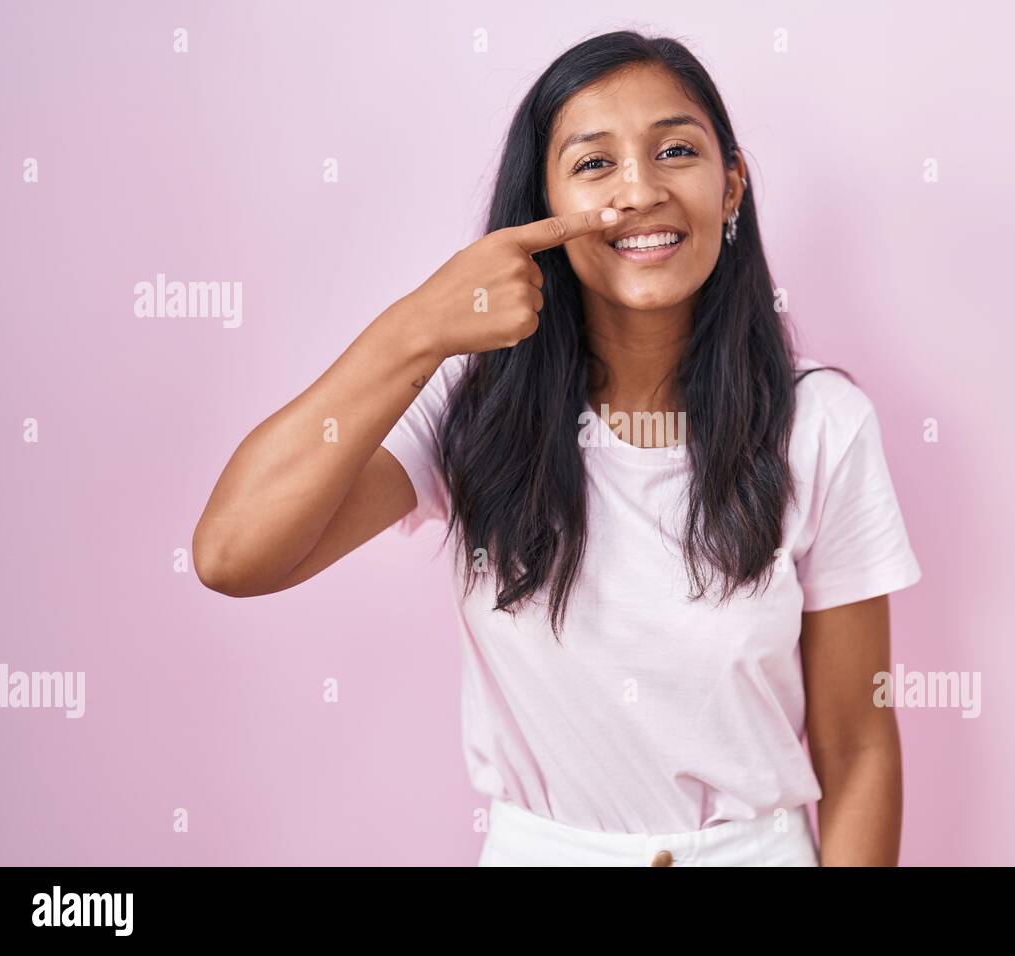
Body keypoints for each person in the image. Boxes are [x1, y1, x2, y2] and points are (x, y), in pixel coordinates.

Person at [192, 30, 922, 867]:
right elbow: (230, 554)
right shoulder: (471, 406)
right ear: (541, 206)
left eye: (675, 150)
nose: (640, 191)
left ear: (731, 187)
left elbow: (859, 745)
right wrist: (421, 322)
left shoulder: (821, 422)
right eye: (594, 164)